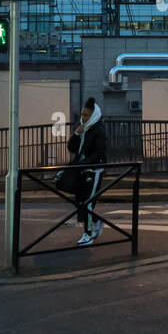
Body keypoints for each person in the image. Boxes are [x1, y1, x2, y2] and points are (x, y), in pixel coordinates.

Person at [67, 97, 108, 246]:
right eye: (82, 115)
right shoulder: (83, 127)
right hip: (81, 169)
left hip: (94, 170)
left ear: (93, 115)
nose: (83, 118)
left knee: (88, 202)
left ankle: (87, 235)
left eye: (86, 115)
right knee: (80, 200)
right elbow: (71, 148)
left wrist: (85, 164)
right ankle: (97, 221)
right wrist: (76, 134)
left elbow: (99, 152)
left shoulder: (98, 130)